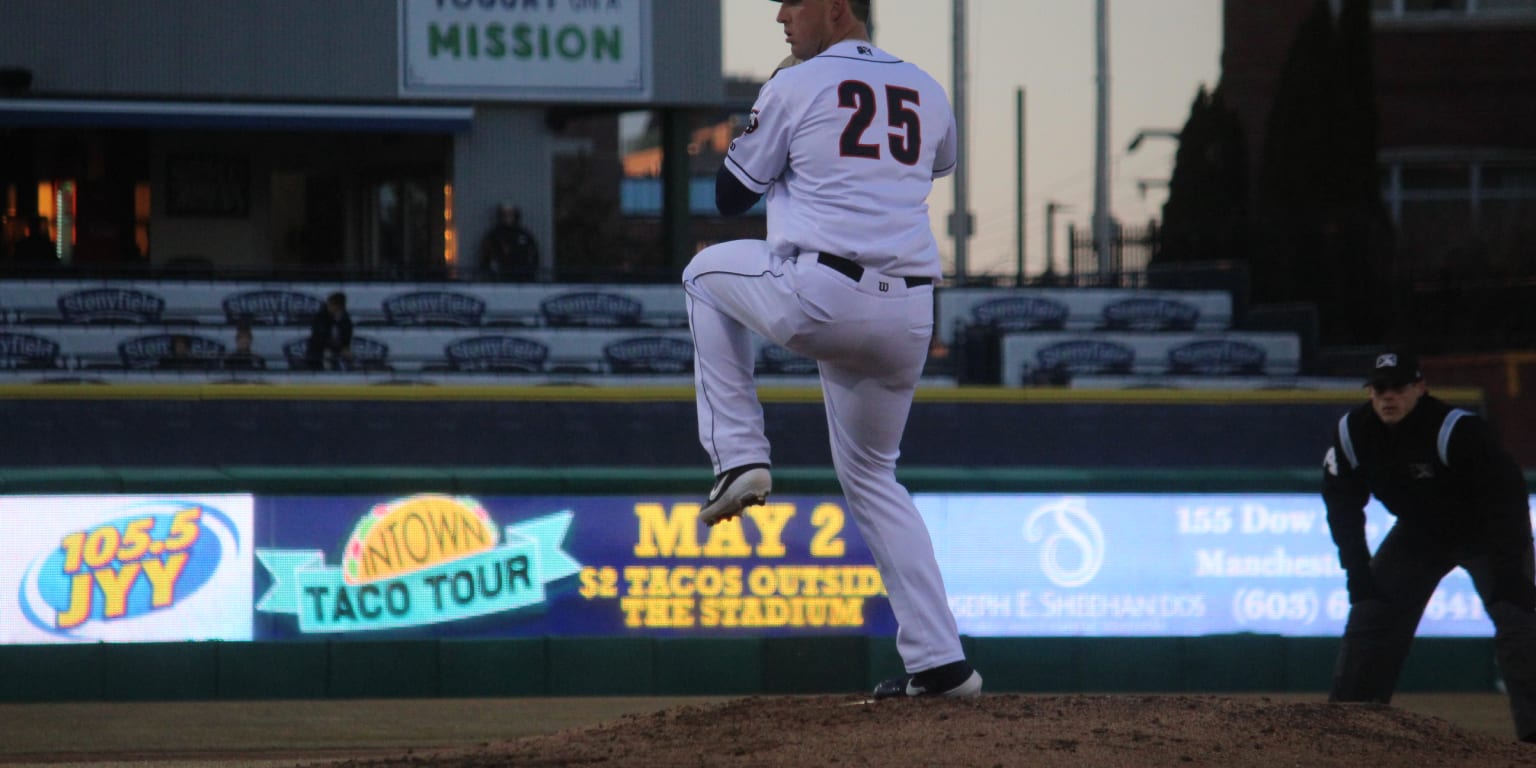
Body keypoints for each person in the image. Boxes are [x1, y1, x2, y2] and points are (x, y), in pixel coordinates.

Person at [681, 0, 980, 700]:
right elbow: (936, 162)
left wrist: (779, 106)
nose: (781, 14)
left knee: (701, 275)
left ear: (838, 9)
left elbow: (730, 196)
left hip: (824, 293)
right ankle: (943, 663)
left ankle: (739, 458)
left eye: (796, 1)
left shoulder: (795, 82)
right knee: (876, 478)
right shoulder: (927, 87)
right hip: (909, 314)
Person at [1323, 347, 1536, 740]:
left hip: (1485, 532)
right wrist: (1357, 570)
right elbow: (1341, 504)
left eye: (1399, 387)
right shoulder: (1354, 433)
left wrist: (1510, 572)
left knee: (1519, 619)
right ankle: (1348, 734)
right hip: (1421, 531)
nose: (1388, 396)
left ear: (1420, 388)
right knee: (1372, 612)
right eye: (1380, 388)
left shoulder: (1456, 429)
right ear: (1370, 392)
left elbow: (1507, 500)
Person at [477, 203, 539, 281]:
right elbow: (485, 257)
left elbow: (534, 256)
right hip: (499, 280)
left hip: (522, 279)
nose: (508, 217)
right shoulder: (493, 236)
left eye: (510, 214)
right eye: (504, 214)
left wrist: (529, 273)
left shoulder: (524, 235)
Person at [304, 292, 354, 371]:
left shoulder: (346, 321)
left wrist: (344, 349)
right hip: (318, 354)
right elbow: (320, 339)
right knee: (328, 354)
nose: (331, 307)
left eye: (334, 306)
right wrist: (340, 349)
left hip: (337, 353)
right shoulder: (320, 318)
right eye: (330, 305)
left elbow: (346, 340)